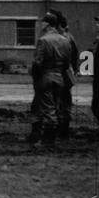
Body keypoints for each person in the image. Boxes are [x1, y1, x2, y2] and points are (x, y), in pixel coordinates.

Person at [27, 11, 74, 146]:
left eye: (43, 22)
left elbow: (37, 62)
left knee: (48, 108)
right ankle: (54, 135)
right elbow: (67, 62)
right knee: (56, 105)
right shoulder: (65, 40)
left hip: (46, 76)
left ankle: (48, 140)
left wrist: (36, 77)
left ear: (47, 24)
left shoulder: (43, 40)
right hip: (60, 77)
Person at [54, 10, 79, 138]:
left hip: (62, 75)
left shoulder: (64, 38)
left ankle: (62, 129)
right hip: (66, 74)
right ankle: (63, 128)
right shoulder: (69, 36)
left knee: (62, 102)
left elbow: (68, 58)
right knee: (64, 102)